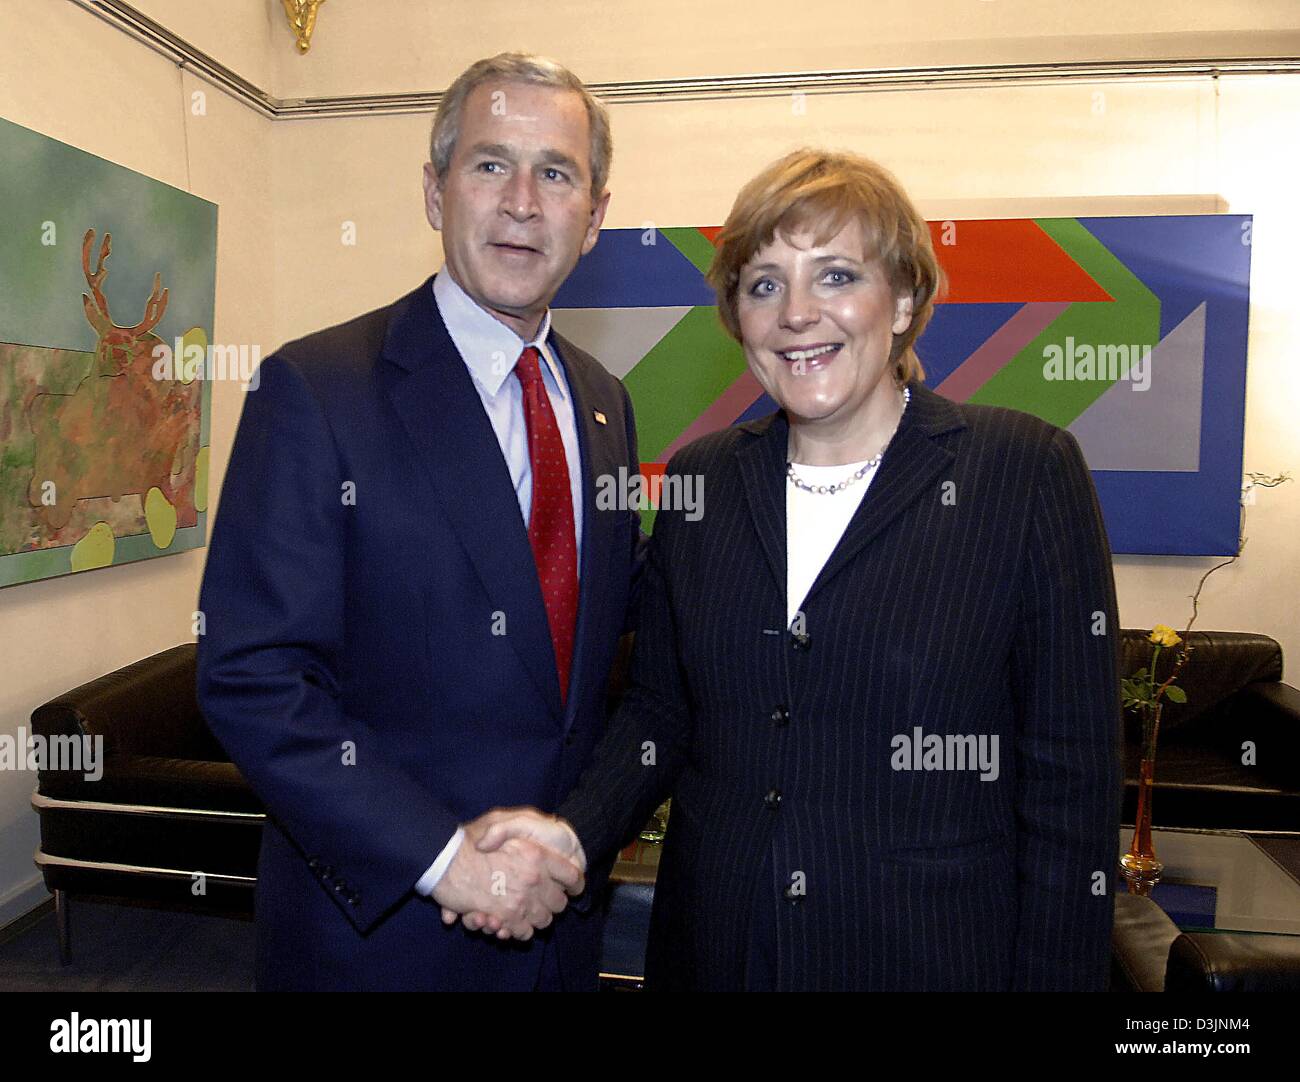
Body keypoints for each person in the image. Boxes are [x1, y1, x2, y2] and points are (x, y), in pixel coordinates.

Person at [465, 148, 1123, 991]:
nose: (797, 314)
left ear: (907, 298)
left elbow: (1071, 785)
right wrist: (573, 835)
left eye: (837, 275)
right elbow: (663, 710)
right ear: (738, 316)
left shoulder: (1022, 470)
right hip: (719, 950)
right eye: (765, 284)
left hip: (931, 957)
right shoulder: (702, 479)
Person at [196, 52, 644, 992]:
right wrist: (450, 860)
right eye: (489, 163)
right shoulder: (315, 390)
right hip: (382, 938)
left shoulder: (605, 404)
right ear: (435, 192)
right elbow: (253, 677)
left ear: (595, 215)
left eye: (556, 173)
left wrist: (571, 841)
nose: (523, 200)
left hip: (559, 932)